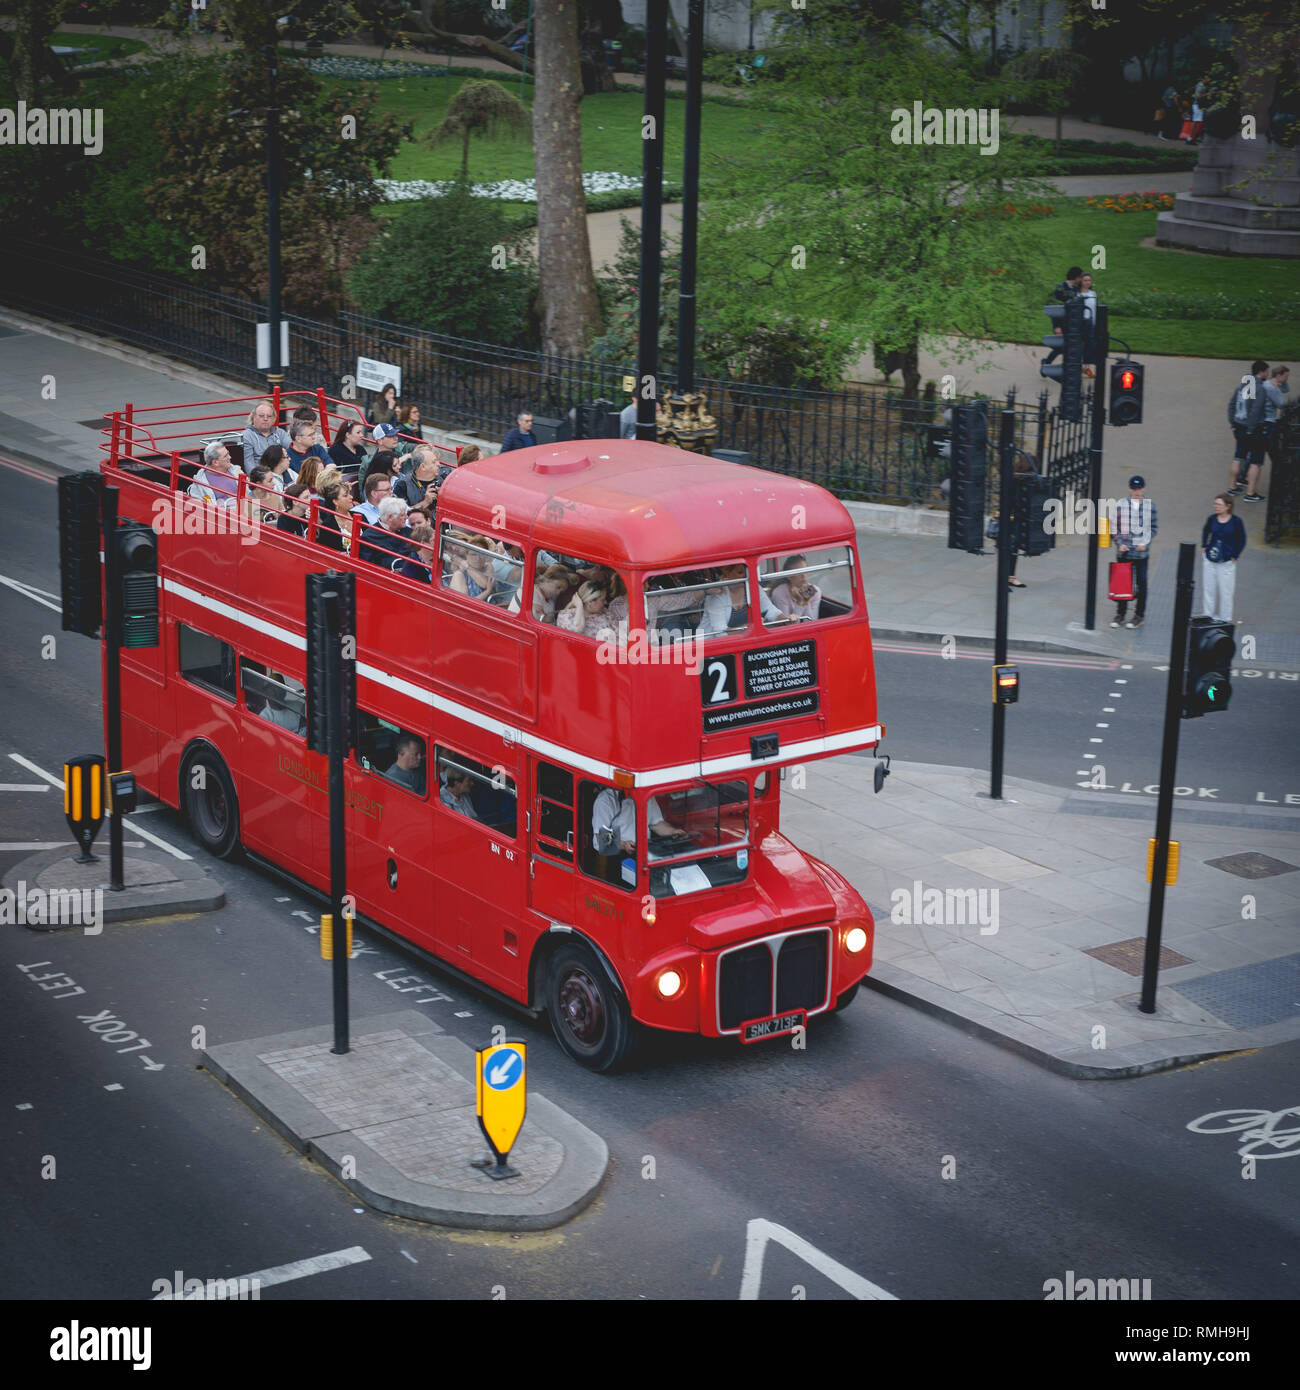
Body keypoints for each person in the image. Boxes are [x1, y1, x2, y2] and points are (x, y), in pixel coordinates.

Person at [1112, 474, 1157, 629]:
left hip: (1141, 553)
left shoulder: (1150, 506)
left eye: (1139, 488)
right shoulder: (1121, 504)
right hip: (1124, 552)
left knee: (1142, 584)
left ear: (1144, 488)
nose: (1137, 491)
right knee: (1122, 585)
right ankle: (1120, 614)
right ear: (1130, 489)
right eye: (1134, 488)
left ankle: (1139, 615)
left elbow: (1153, 528)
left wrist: (1145, 542)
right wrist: (1119, 543)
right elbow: (1114, 528)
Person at [1227, 361, 1271, 500]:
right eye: (1266, 371)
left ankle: (1232, 487)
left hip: (1239, 427)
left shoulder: (1242, 386)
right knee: (1256, 462)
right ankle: (1250, 493)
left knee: (1238, 457)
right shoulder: (1259, 388)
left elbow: (1231, 405)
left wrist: (1233, 423)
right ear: (1262, 372)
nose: (1267, 374)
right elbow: (1255, 411)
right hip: (1253, 429)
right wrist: (1251, 428)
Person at [1201, 493, 1247, 623]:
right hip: (1211, 558)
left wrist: (1235, 554)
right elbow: (1206, 531)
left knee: (1226, 591)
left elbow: (1242, 539)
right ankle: (1208, 615)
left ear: (1228, 506)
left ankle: (1225, 618)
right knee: (1208, 589)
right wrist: (1204, 545)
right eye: (1215, 504)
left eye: (1219, 505)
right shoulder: (1212, 519)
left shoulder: (1236, 521)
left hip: (1226, 561)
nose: (1216, 507)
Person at [591, 787, 674, 859]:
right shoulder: (605, 801)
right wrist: (623, 845)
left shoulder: (646, 795)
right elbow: (602, 839)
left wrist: (673, 832)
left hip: (644, 851)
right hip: (612, 854)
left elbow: (656, 824)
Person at [358, 496, 415, 569]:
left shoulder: (408, 531)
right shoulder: (369, 538)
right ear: (390, 517)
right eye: (402, 515)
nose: (406, 517)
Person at [1043, 268, 1082, 366]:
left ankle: (1065, 366)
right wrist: (1056, 326)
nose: (1081, 279)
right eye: (1080, 277)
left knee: (1068, 346)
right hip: (1060, 322)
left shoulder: (1076, 289)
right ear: (1076, 277)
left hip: (1072, 322)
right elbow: (1055, 308)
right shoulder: (1061, 288)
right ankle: (1047, 363)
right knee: (1061, 346)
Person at [241, 399, 292, 472]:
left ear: (274, 419)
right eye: (261, 416)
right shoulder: (247, 436)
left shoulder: (280, 433)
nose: (265, 419)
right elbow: (249, 465)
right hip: (261, 477)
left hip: (282, 473)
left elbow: (292, 450)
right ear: (254, 417)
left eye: (269, 416)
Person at [187, 440, 241, 505]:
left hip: (245, 509)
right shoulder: (200, 483)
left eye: (228, 454)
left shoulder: (236, 470)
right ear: (215, 462)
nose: (230, 457)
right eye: (226, 456)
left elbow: (250, 493)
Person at [447, 534, 496, 600]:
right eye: (473, 554)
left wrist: (466, 566)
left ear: (486, 556)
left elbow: (485, 583)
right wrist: (487, 592)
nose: (478, 558)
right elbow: (464, 604)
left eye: (482, 554)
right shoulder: (459, 575)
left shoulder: (488, 566)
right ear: (466, 555)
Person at [1077, 272, 1098, 375]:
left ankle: (1086, 367)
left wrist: (1095, 322)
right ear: (1081, 281)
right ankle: (1078, 367)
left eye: (1089, 280)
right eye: (1085, 280)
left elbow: (1094, 309)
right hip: (1080, 322)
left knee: (1090, 345)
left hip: (1090, 323)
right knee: (1079, 345)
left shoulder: (1093, 294)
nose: (1087, 282)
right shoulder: (1077, 294)